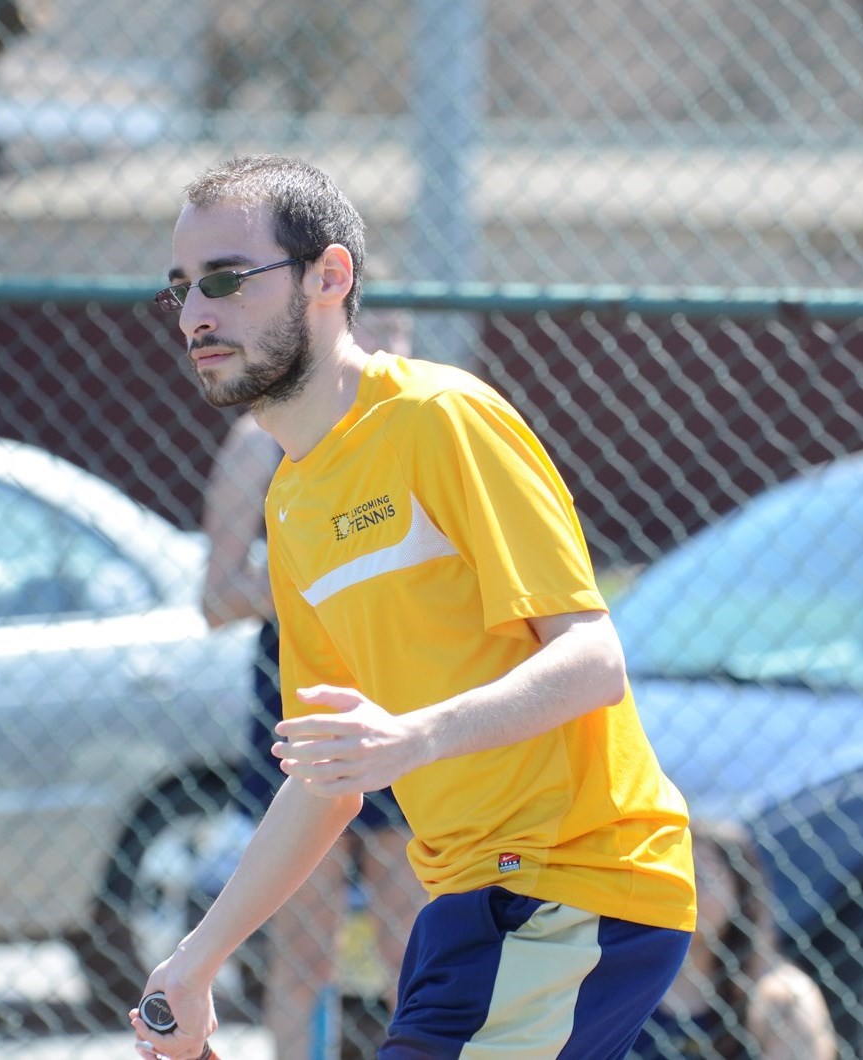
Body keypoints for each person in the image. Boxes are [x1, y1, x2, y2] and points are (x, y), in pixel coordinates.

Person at [131, 153, 697, 1060]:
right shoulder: (293, 500)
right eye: (182, 290)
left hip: (575, 886)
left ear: (330, 277)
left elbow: (593, 660)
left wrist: (417, 736)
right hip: (467, 907)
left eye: (228, 280)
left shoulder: (441, 419)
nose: (197, 313)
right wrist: (196, 962)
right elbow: (325, 778)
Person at [200, 308, 424, 1060]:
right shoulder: (260, 442)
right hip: (304, 700)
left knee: (413, 947)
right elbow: (216, 597)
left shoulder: (420, 430)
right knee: (305, 953)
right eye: (376, 330)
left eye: (402, 333)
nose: (388, 349)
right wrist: (320, 563)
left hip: (404, 699)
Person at [631, 820, 837, 1059]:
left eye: (699, 877)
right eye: (671, 877)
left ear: (740, 891)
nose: (682, 891)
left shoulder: (783, 998)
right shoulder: (627, 980)